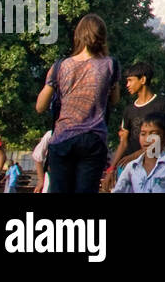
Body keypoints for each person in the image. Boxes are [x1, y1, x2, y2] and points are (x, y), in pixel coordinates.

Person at [35, 14, 121, 193]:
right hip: (94, 139)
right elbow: (115, 100)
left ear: (78, 35)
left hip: (63, 137)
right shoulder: (110, 65)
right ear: (102, 36)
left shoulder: (60, 66)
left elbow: (40, 106)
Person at [105, 62, 165, 190]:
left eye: (130, 80)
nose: (127, 85)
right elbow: (123, 142)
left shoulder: (161, 104)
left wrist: (136, 155)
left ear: (143, 79)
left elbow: (163, 139)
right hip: (130, 168)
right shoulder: (129, 110)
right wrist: (111, 169)